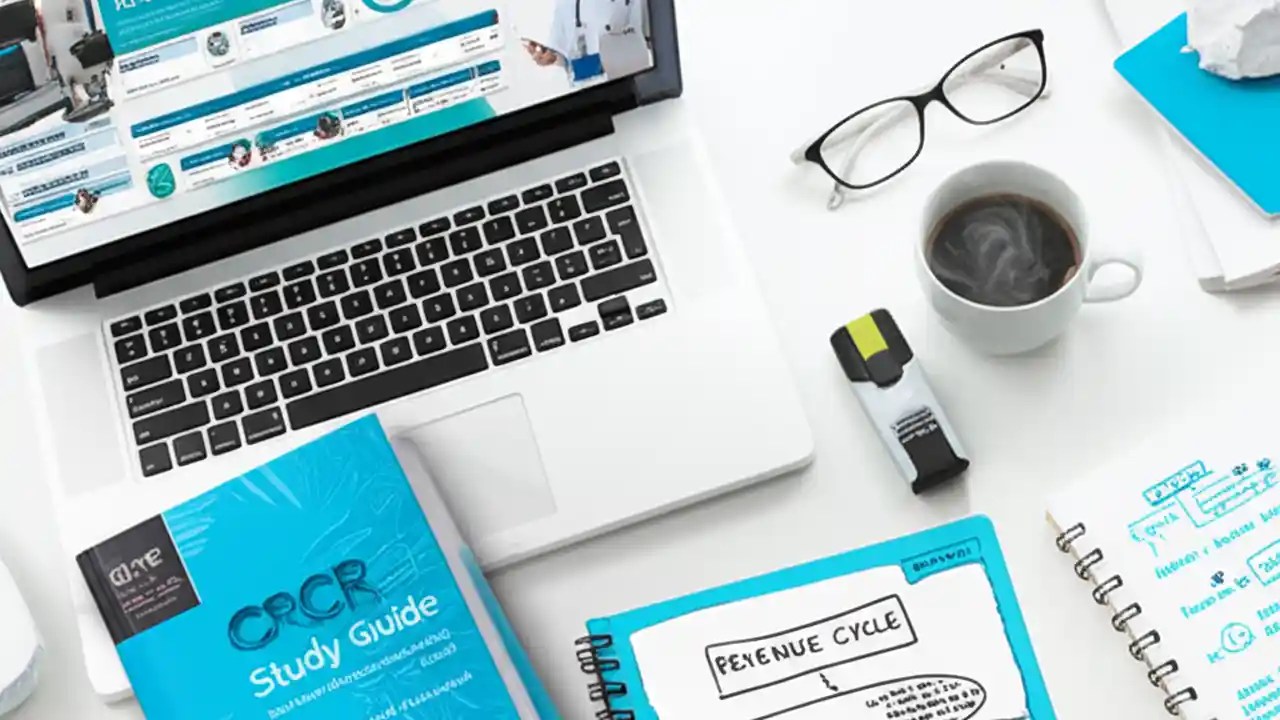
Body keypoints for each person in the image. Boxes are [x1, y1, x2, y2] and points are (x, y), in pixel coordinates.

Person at [524, 0, 647, 84]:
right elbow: (566, 56)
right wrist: (551, 57)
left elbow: (648, 37)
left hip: (631, 84)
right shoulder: (565, 4)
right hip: (586, 95)